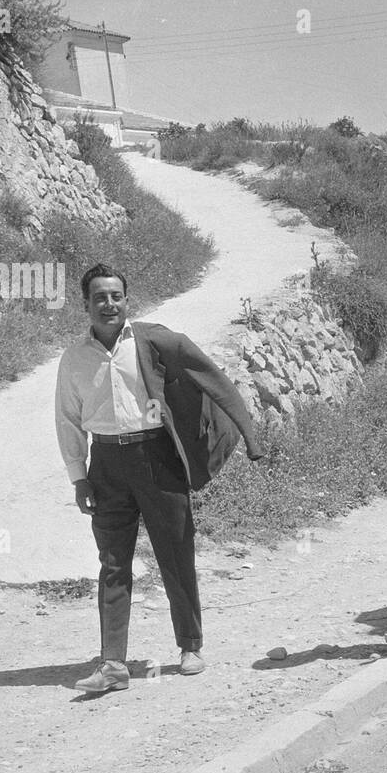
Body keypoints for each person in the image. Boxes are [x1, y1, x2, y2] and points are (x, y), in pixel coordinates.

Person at [55, 264, 267, 694]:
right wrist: (79, 477)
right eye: (99, 297)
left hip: (156, 458)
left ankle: (190, 646)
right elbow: (68, 420)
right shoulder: (75, 358)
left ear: (126, 300)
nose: (109, 304)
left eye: (116, 296)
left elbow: (211, 376)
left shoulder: (153, 340)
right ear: (85, 304)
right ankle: (113, 662)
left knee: (176, 553)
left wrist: (249, 434)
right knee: (113, 564)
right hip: (106, 466)